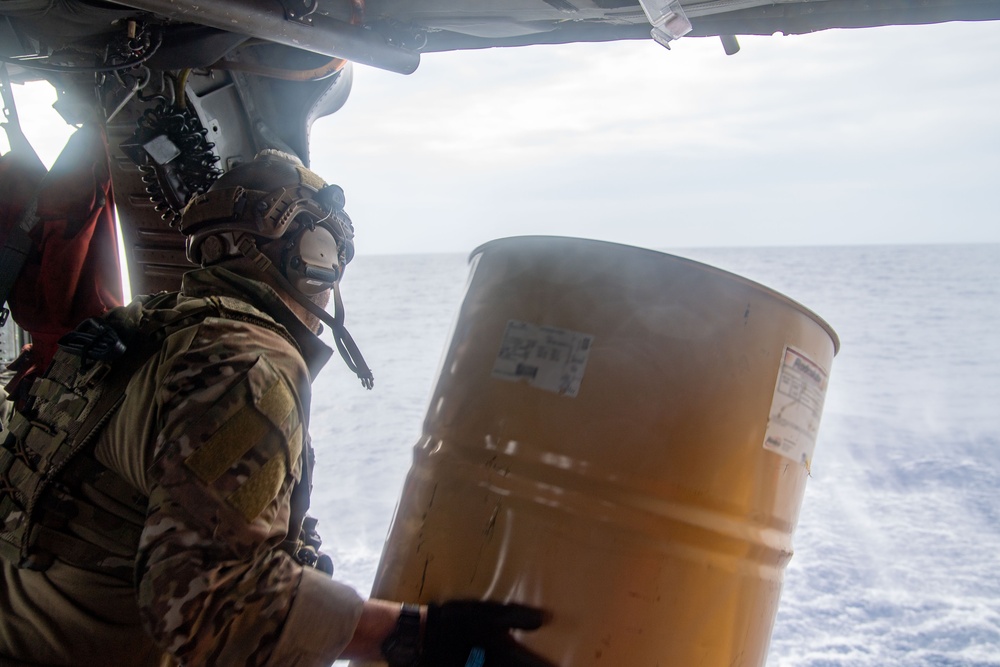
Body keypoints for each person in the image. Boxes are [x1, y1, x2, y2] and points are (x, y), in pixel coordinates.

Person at [0, 151, 554, 666]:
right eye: (335, 250)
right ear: (314, 255)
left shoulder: (151, 328)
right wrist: (418, 635)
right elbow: (209, 607)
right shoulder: (245, 366)